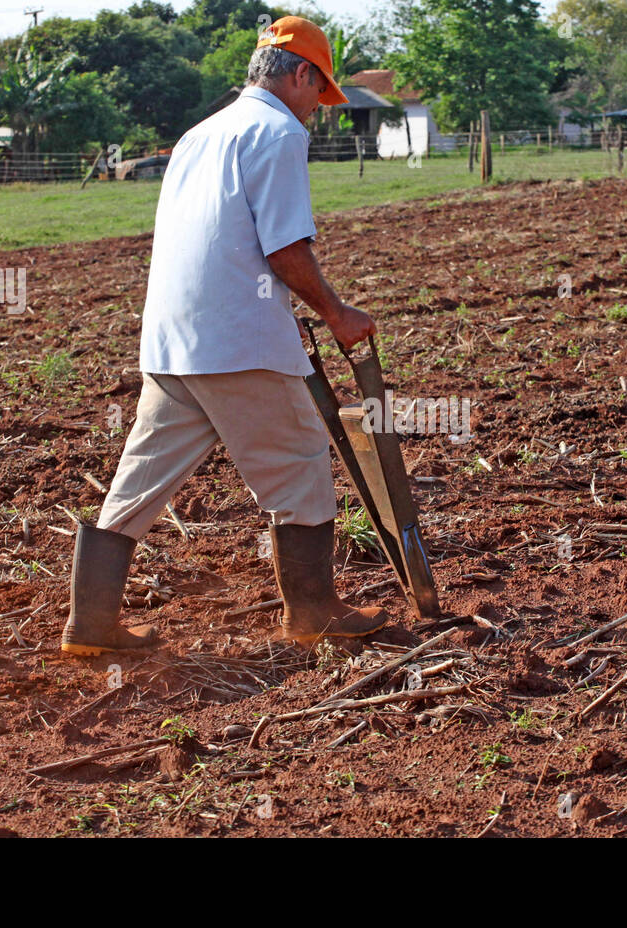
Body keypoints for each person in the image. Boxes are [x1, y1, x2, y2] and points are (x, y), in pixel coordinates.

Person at [61, 15, 388, 656]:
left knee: (139, 482)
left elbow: (214, 238)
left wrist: (267, 306)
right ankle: (314, 612)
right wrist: (336, 312)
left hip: (173, 338)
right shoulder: (276, 131)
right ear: (299, 75)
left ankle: (90, 625)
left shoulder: (201, 133)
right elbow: (285, 246)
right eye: (319, 94)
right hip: (235, 343)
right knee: (300, 465)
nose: (317, 111)